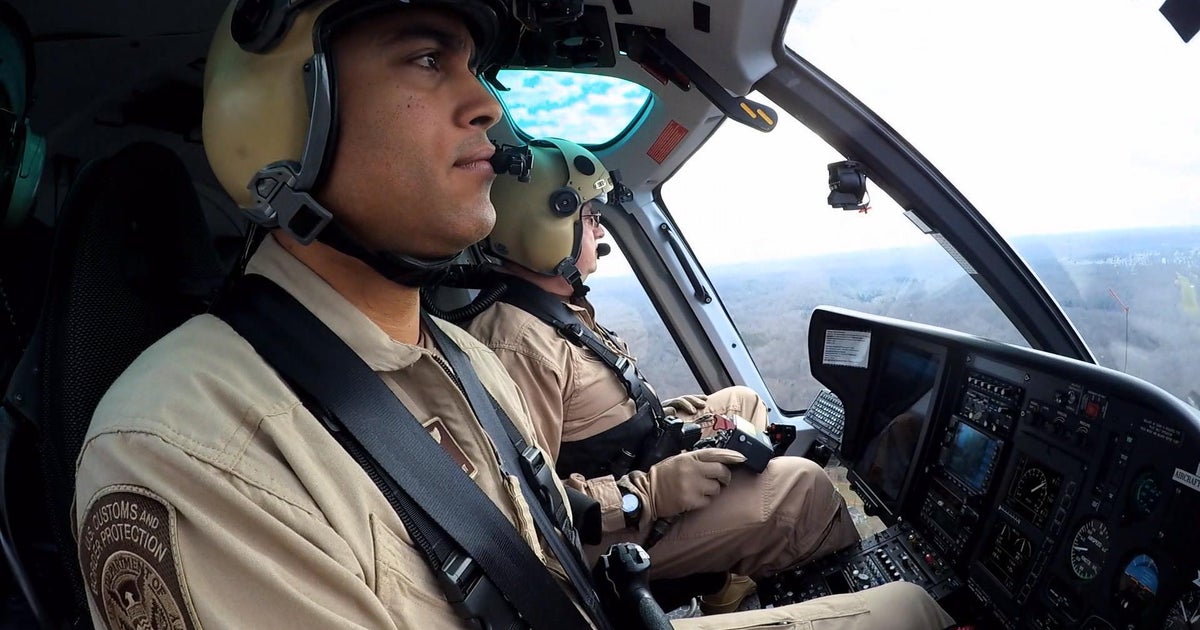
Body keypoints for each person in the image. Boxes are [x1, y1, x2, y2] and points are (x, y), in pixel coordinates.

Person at [71, 2, 953, 629]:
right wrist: (651, 494)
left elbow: (538, 542)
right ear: (285, 117)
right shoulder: (181, 452)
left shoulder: (461, 358)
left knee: (912, 607)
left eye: (474, 67)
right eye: (426, 58)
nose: (489, 105)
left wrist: (652, 488)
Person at [466, 138, 954, 625]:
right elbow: (531, 505)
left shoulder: (552, 307)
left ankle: (725, 584)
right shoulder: (517, 345)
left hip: (633, 472)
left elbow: (600, 417)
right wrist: (655, 492)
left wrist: (690, 423)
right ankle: (834, 590)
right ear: (546, 225)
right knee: (802, 489)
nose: (599, 232)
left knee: (742, 402)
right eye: (590, 218)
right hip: (612, 536)